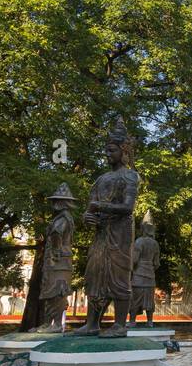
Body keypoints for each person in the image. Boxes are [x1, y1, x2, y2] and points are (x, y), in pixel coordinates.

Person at [74, 119, 139, 337]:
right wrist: (88, 216)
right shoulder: (101, 179)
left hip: (120, 235)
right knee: (95, 275)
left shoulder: (130, 176)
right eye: (106, 150)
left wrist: (99, 206)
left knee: (119, 276)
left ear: (123, 150)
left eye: (111, 150)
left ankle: (120, 325)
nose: (107, 154)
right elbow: (89, 210)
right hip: (101, 235)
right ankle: (92, 323)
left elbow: (128, 207)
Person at [38, 183, 77, 329]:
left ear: (62, 203)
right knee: (50, 292)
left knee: (57, 292)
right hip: (61, 260)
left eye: (56, 201)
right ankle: (48, 323)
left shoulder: (63, 219)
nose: (54, 203)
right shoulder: (65, 217)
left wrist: (55, 251)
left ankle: (56, 324)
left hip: (59, 260)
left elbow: (56, 233)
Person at [129, 219, 161, 327]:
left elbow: (134, 260)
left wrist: (131, 268)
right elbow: (156, 263)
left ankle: (132, 321)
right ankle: (149, 321)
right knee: (149, 300)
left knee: (135, 298)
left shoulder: (139, 241)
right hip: (150, 275)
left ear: (143, 229)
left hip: (139, 274)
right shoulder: (155, 244)